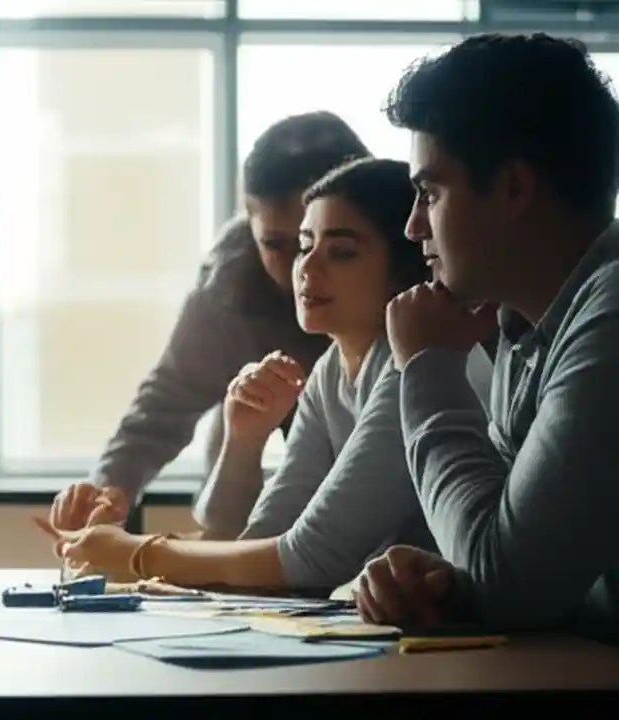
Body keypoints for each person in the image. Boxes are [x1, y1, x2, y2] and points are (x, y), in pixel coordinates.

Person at [44, 158, 488, 592]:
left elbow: (312, 556)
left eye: (342, 252)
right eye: (304, 245)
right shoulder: (329, 373)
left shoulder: (413, 365)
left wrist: (136, 554)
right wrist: (243, 440)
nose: (307, 269)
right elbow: (256, 539)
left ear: (405, 265)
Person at [353, 33, 619, 641]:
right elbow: (505, 553)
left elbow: (508, 582)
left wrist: (427, 364)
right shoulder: (524, 330)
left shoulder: (612, 311)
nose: (413, 225)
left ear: (514, 190)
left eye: (429, 192)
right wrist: (447, 584)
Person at [48, 112, 368, 535]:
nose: (304, 269)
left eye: (338, 250)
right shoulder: (231, 284)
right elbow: (165, 403)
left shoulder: (426, 289)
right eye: (278, 245)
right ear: (249, 222)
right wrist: (106, 492)